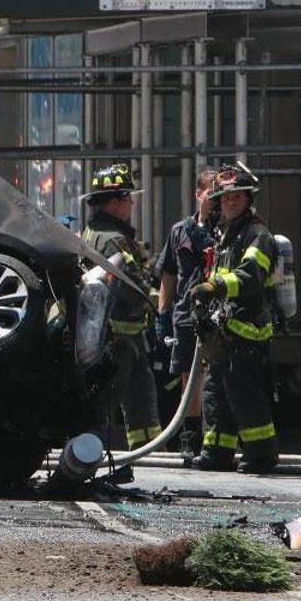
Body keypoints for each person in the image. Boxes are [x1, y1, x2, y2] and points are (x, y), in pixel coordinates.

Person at [189, 162, 280, 475]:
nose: (230, 202)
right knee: (216, 395)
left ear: (248, 200)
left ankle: (261, 455)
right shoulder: (224, 235)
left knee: (246, 397)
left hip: (248, 331)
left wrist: (213, 286)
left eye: (237, 197)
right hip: (224, 331)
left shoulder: (258, 235)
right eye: (225, 198)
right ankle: (217, 452)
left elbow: (251, 276)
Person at [81, 163, 161, 453]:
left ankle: (145, 451)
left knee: (138, 394)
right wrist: (154, 297)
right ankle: (103, 452)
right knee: (114, 396)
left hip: (116, 333)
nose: (132, 203)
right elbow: (129, 285)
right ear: (114, 201)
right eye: (128, 198)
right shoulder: (113, 239)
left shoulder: (93, 232)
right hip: (119, 334)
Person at [154, 167, 218, 464]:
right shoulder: (179, 231)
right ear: (198, 194)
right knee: (187, 377)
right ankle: (189, 438)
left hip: (217, 313)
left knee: (217, 375)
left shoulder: (224, 231)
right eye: (211, 194)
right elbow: (168, 273)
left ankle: (215, 436)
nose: (215, 201)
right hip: (184, 315)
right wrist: (162, 314)